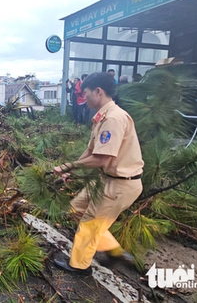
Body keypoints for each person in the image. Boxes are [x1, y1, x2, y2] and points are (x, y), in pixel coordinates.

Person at [53, 72, 144, 275]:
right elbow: (92, 151)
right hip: (106, 180)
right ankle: (114, 251)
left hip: (119, 183)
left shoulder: (114, 119)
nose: (83, 97)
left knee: (90, 224)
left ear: (98, 91)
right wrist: (73, 170)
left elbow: (103, 159)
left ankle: (79, 266)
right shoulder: (102, 118)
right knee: (76, 209)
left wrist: (67, 166)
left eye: (85, 93)